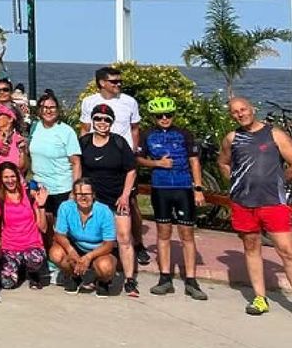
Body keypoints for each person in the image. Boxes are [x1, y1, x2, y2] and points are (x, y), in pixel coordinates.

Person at [219, 96, 292, 315]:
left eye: (243, 109)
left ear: (252, 109)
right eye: (235, 112)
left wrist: (284, 179)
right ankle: (260, 299)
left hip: (273, 203)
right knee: (251, 248)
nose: (240, 114)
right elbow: (223, 162)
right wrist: (234, 182)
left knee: (287, 252)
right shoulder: (232, 138)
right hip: (243, 203)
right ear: (231, 115)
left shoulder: (274, 134)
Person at [136, 96, 208, 300]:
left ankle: (192, 281)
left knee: (187, 235)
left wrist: (198, 188)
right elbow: (138, 159)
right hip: (160, 188)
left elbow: (194, 161)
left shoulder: (184, 133)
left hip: (184, 187)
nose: (165, 118)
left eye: (168, 115)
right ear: (154, 117)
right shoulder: (147, 135)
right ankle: (165, 278)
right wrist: (157, 164)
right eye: (160, 116)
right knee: (163, 233)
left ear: (173, 115)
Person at [79, 66, 148, 266]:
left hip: (121, 160)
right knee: (96, 206)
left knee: (130, 204)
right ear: (102, 83)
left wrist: (133, 151)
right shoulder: (89, 102)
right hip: (96, 160)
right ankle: (104, 247)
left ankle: (138, 244)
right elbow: (84, 129)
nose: (118, 84)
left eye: (120, 81)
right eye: (114, 81)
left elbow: (135, 129)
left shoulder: (129, 102)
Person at [80, 103, 139, 296]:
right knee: (96, 239)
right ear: (92, 120)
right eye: (98, 118)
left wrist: (125, 195)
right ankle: (95, 275)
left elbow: (131, 170)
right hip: (92, 201)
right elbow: (77, 167)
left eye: (106, 119)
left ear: (111, 122)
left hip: (116, 199)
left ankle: (130, 279)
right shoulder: (85, 142)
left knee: (123, 237)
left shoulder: (119, 143)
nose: (102, 122)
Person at [50, 178, 118, 294]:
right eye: (79, 194)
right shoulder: (65, 207)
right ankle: (74, 276)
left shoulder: (105, 211)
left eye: (87, 194)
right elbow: (59, 234)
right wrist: (70, 250)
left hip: (99, 250)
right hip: (76, 246)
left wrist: (89, 257)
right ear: (74, 195)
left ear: (93, 195)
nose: (83, 197)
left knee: (105, 267)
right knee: (55, 254)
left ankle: (103, 281)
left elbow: (109, 244)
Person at [0, 162, 48, 290]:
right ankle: (19, 269)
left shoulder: (29, 195)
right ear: (0, 179)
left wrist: (42, 206)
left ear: (18, 176)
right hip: (9, 247)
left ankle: (33, 273)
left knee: (35, 259)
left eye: (13, 176)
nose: (10, 180)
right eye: (6, 177)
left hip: (32, 245)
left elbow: (43, 228)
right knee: (7, 284)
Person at [27, 90, 80, 229]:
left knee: (60, 229)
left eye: (51, 107)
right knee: (43, 227)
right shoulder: (35, 127)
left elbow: (76, 163)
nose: (48, 111)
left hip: (61, 188)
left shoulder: (66, 131)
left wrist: (75, 191)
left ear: (57, 110)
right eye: (44, 107)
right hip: (40, 187)